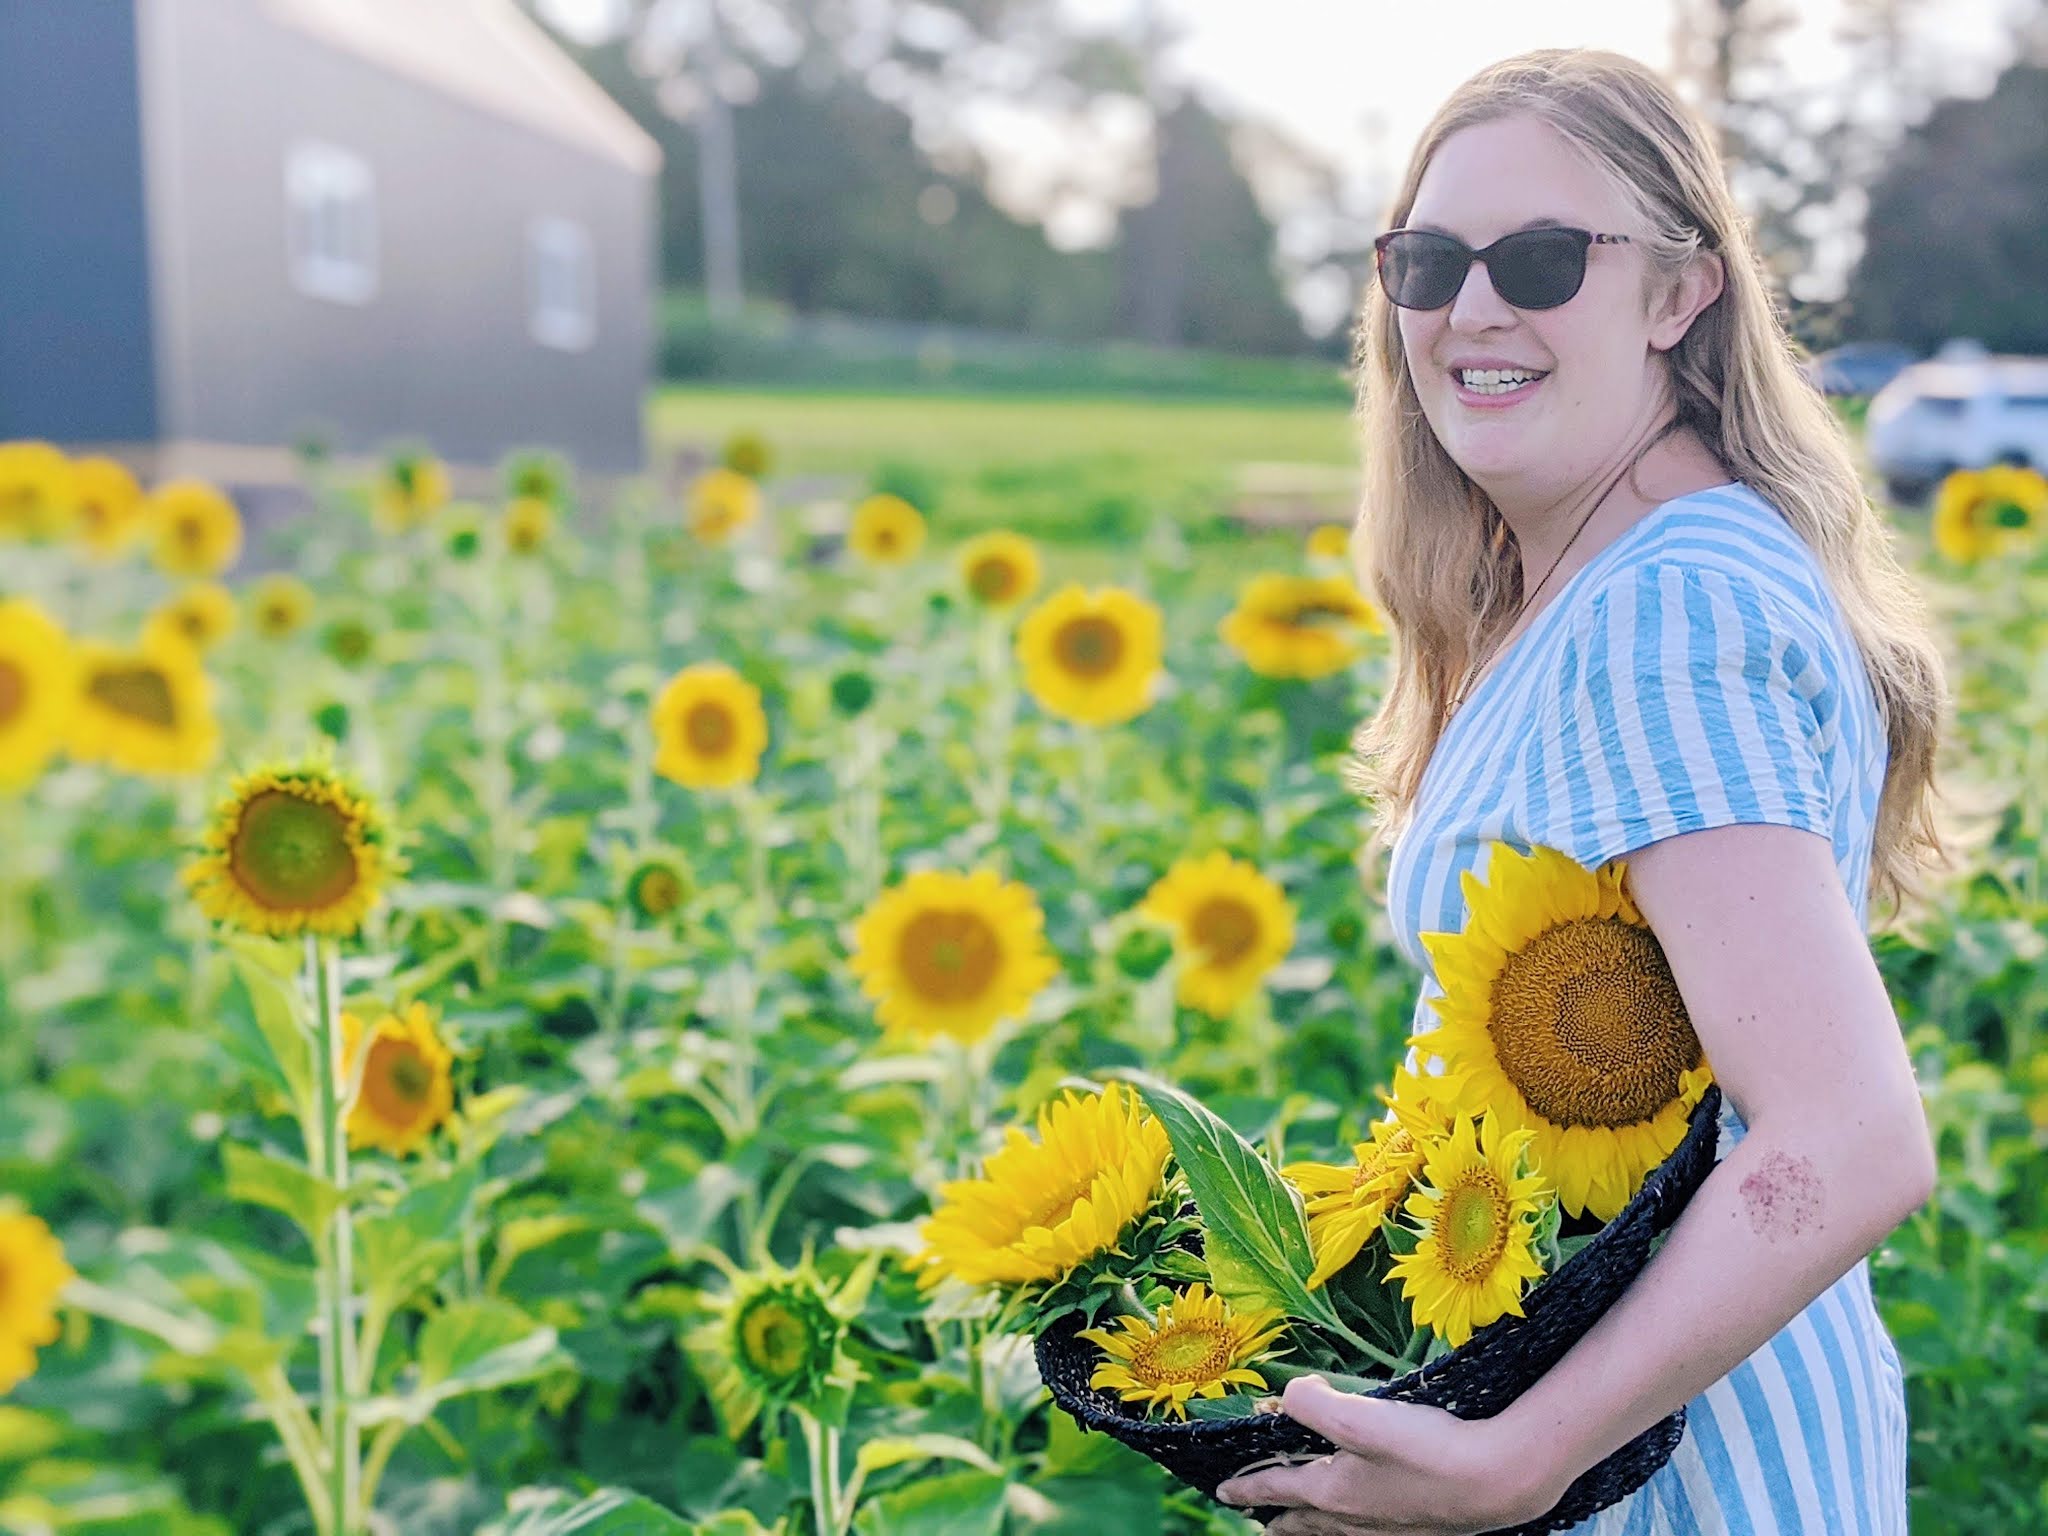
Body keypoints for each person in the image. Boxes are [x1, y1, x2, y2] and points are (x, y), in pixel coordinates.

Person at [1213, 48, 1951, 1536]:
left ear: (1681, 294)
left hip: (1683, 1476)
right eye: (1426, 262)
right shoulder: (1607, 576)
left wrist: (1517, 1454)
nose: (1471, 309)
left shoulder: (1662, 608)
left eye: (1543, 259)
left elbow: (1845, 1137)